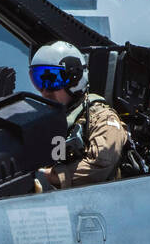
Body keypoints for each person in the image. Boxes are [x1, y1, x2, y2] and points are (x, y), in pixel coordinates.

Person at [28, 41, 128, 189]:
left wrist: (52, 176)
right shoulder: (43, 121)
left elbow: (101, 163)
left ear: (74, 77)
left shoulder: (101, 117)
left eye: (52, 80)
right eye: (38, 80)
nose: (45, 91)